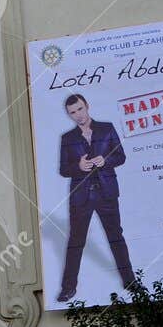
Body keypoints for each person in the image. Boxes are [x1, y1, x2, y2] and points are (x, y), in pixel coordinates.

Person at [56, 94, 135, 302]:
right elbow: (64, 170)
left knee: (116, 237)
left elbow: (121, 156)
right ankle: (68, 288)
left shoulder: (107, 129)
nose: (78, 115)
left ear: (87, 106)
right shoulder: (67, 139)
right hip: (81, 196)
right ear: (69, 114)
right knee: (76, 241)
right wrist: (78, 167)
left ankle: (130, 281)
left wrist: (105, 160)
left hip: (106, 192)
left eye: (80, 109)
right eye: (73, 112)